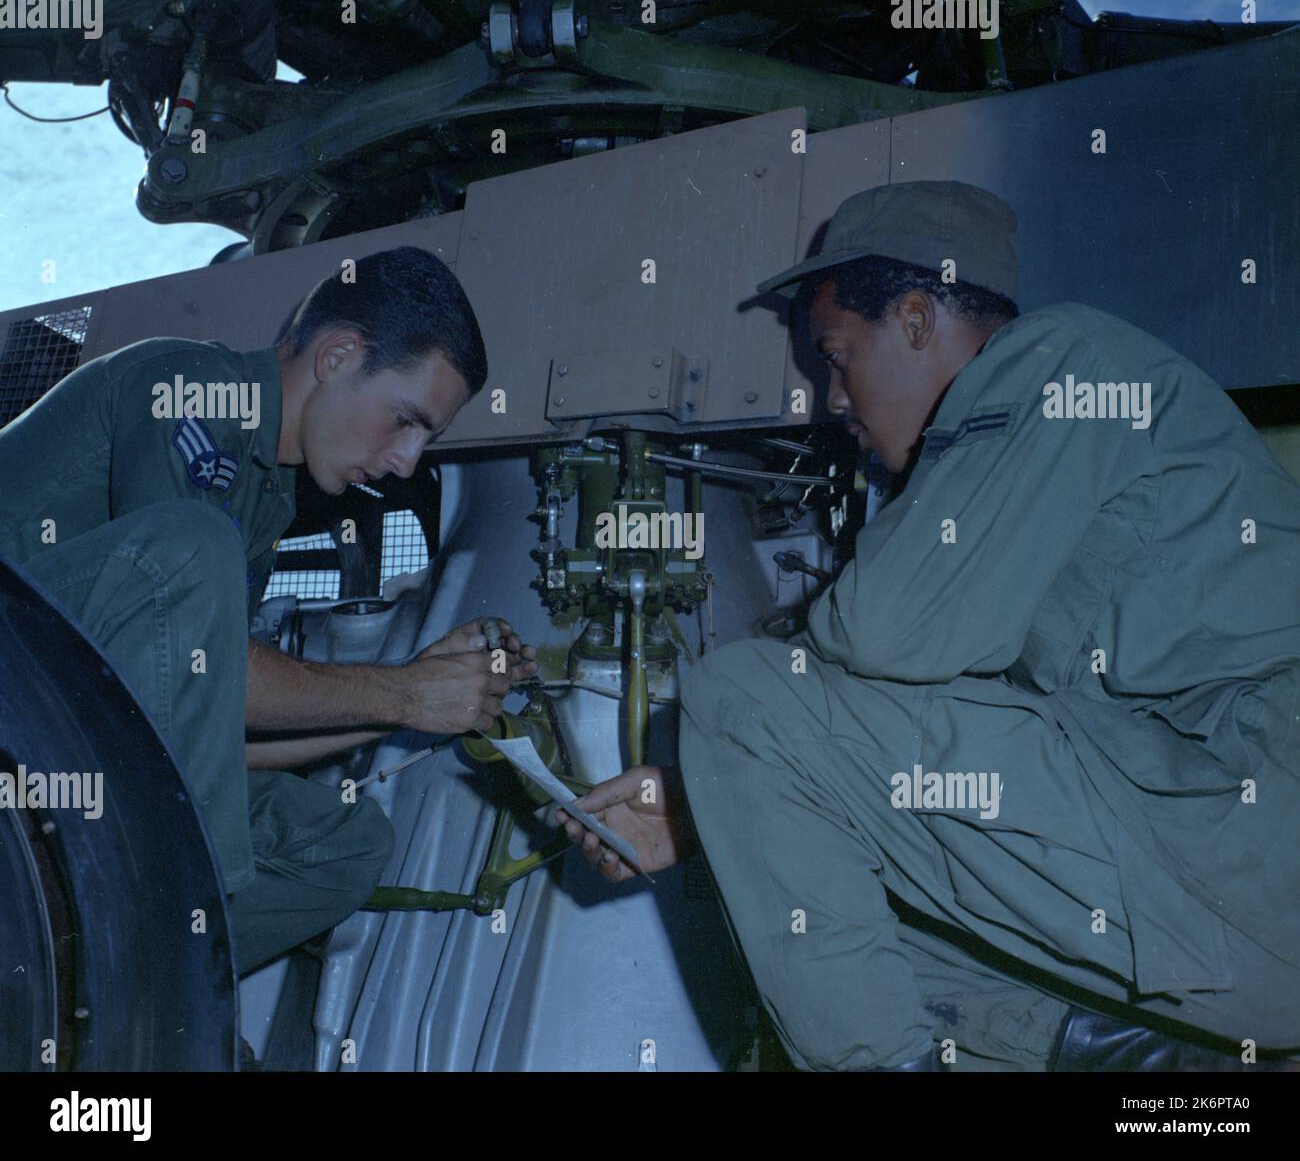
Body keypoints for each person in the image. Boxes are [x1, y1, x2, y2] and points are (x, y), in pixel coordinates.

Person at [560, 181, 1300, 1072]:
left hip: (1247, 844)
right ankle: (1144, 1062)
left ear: (915, 318)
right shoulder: (1053, 457)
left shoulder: (1059, 361)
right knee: (839, 912)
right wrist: (702, 808)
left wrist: (730, 753)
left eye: (836, 356)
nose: (833, 399)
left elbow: (882, 633)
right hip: (1233, 899)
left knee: (740, 695)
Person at [0, 245, 537, 977]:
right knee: (193, 548)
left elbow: (213, 724)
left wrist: (412, 702)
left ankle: (125, 986)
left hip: (57, 747)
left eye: (427, 439)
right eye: (406, 420)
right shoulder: (191, 387)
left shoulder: (265, 501)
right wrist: (408, 692)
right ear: (338, 355)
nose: (409, 462)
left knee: (346, 845)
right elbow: (202, 641)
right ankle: (162, 970)